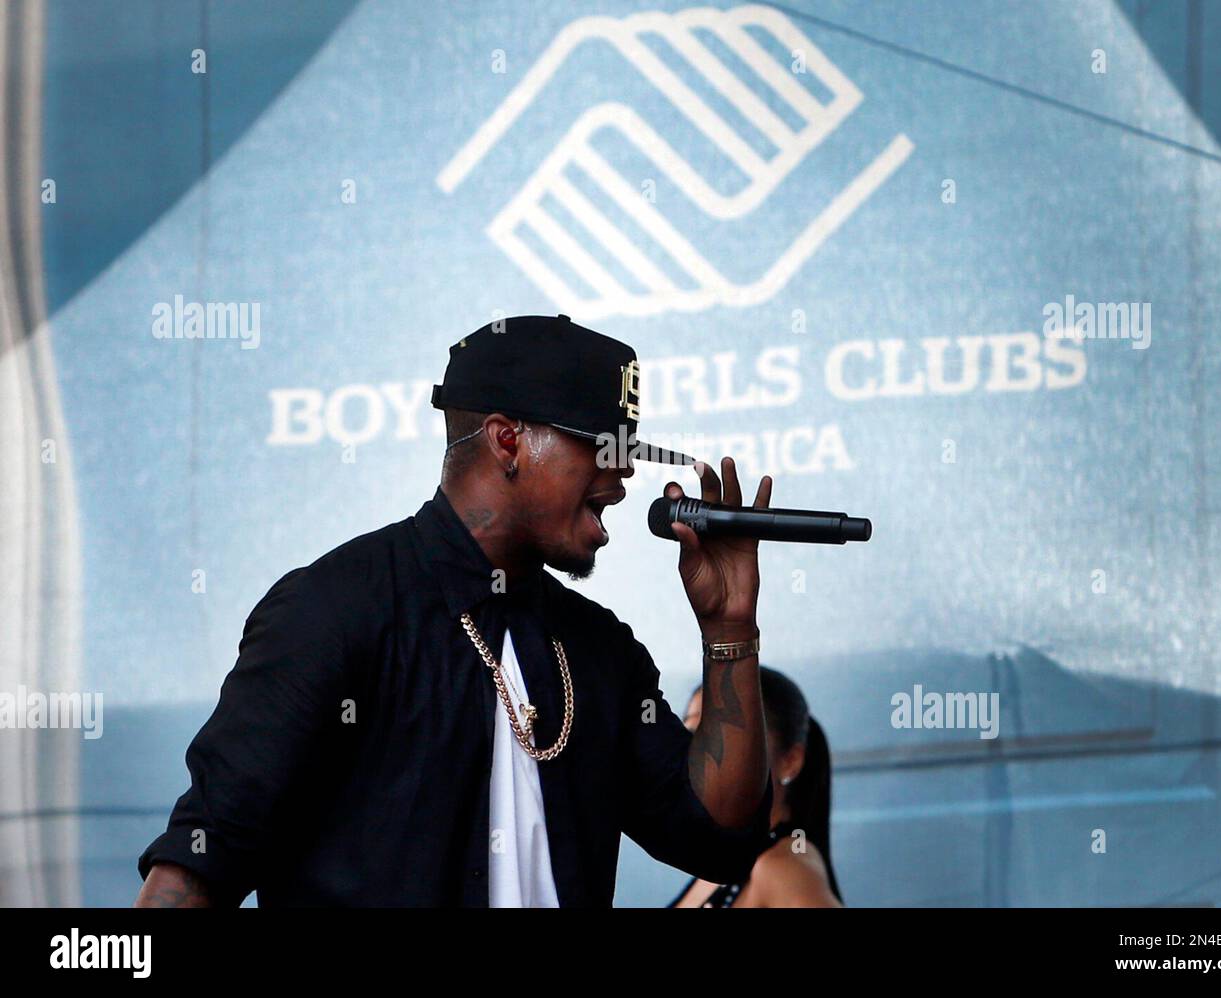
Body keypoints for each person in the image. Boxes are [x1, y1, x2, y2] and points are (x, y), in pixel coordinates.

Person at [135, 314, 776, 907]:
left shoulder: (599, 650)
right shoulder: (335, 610)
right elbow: (200, 863)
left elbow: (719, 837)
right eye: (603, 447)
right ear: (507, 442)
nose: (624, 473)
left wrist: (729, 630)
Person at [669, 667, 842, 907]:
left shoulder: (783, 867)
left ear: (790, 761)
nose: (701, 752)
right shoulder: (728, 859)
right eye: (691, 732)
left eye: (724, 737)